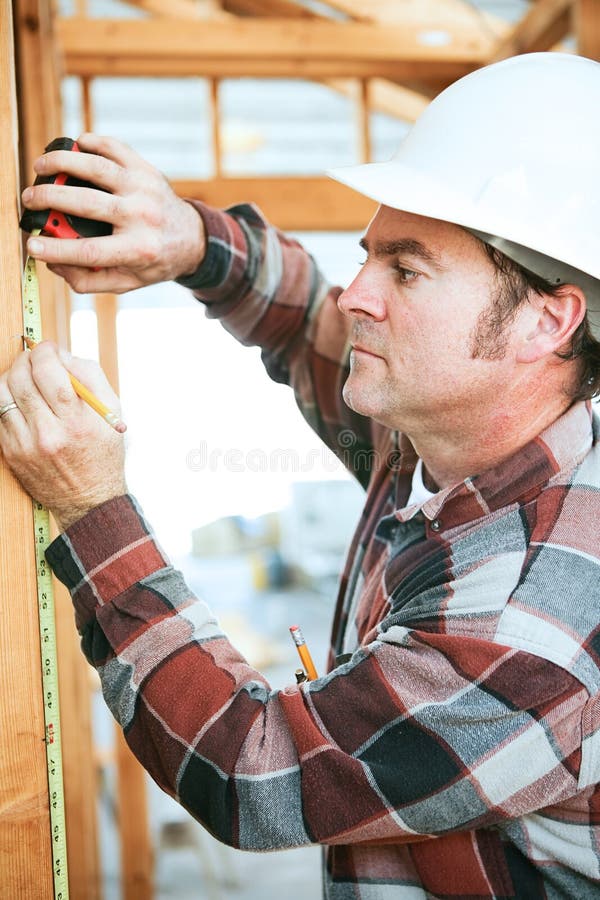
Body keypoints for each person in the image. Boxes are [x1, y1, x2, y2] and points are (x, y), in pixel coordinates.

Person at [2, 51, 600, 898]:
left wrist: (92, 506)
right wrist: (192, 241)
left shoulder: (536, 621)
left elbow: (256, 770)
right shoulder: (441, 436)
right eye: (368, 256)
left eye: (406, 268)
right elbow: (307, 328)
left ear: (547, 321)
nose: (357, 292)